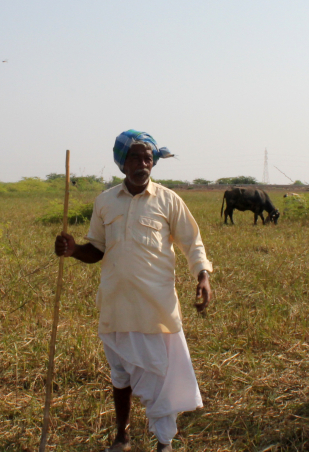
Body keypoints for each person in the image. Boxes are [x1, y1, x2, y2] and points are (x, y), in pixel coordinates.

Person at [55, 130, 213, 452]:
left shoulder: (169, 200)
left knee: (161, 377)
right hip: (115, 304)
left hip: (157, 309)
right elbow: (97, 250)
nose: (142, 164)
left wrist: (202, 275)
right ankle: (122, 436)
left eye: (148, 158)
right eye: (135, 158)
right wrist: (73, 250)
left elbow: (191, 243)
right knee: (121, 375)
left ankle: (163, 442)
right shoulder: (105, 201)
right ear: (122, 163)